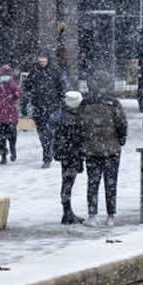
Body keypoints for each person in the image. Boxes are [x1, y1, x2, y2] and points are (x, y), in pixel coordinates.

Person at [80, 71, 127, 227]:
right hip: (111, 150)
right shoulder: (114, 103)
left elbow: (79, 126)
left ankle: (92, 215)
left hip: (91, 149)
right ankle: (110, 215)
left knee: (92, 183)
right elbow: (121, 124)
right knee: (111, 183)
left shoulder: (85, 103)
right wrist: (121, 139)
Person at [22, 48, 64, 168]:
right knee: (42, 133)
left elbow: (61, 87)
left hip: (52, 106)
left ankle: (47, 157)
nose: (42, 62)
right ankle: (48, 151)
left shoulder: (54, 71)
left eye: (44, 60)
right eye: (40, 60)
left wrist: (61, 102)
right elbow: (27, 88)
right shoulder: (34, 72)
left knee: (49, 132)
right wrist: (25, 103)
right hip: (38, 107)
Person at [53, 91, 85, 225]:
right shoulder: (74, 118)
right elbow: (78, 137)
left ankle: (67, 211)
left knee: (66, 181)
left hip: (65, 153)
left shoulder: (62, 114)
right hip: (73, 154)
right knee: (68, 182)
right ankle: (67, 213)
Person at [0, 64, 21, 164]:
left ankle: (12, 150)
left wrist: (14, 95)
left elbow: (19, 93)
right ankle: (3, 155)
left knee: (12, 136)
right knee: (0, 137)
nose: (5, 75)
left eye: (7, 73)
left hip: (11, 114)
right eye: (3, 73)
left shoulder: (13, 84)